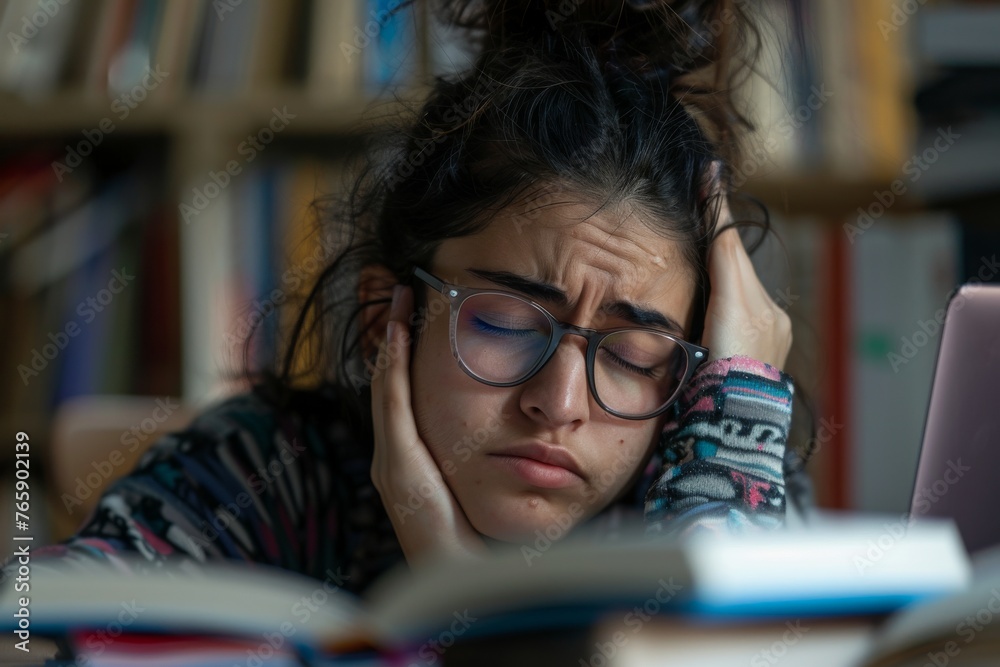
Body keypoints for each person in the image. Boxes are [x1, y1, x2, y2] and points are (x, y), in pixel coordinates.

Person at [7, 0, 812, 596]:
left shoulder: (723, 474)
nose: (559, 402)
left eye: (635, 355)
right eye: (503, 321)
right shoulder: (274, 472)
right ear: (381, 321)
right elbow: (28, 635)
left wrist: (460, 594)